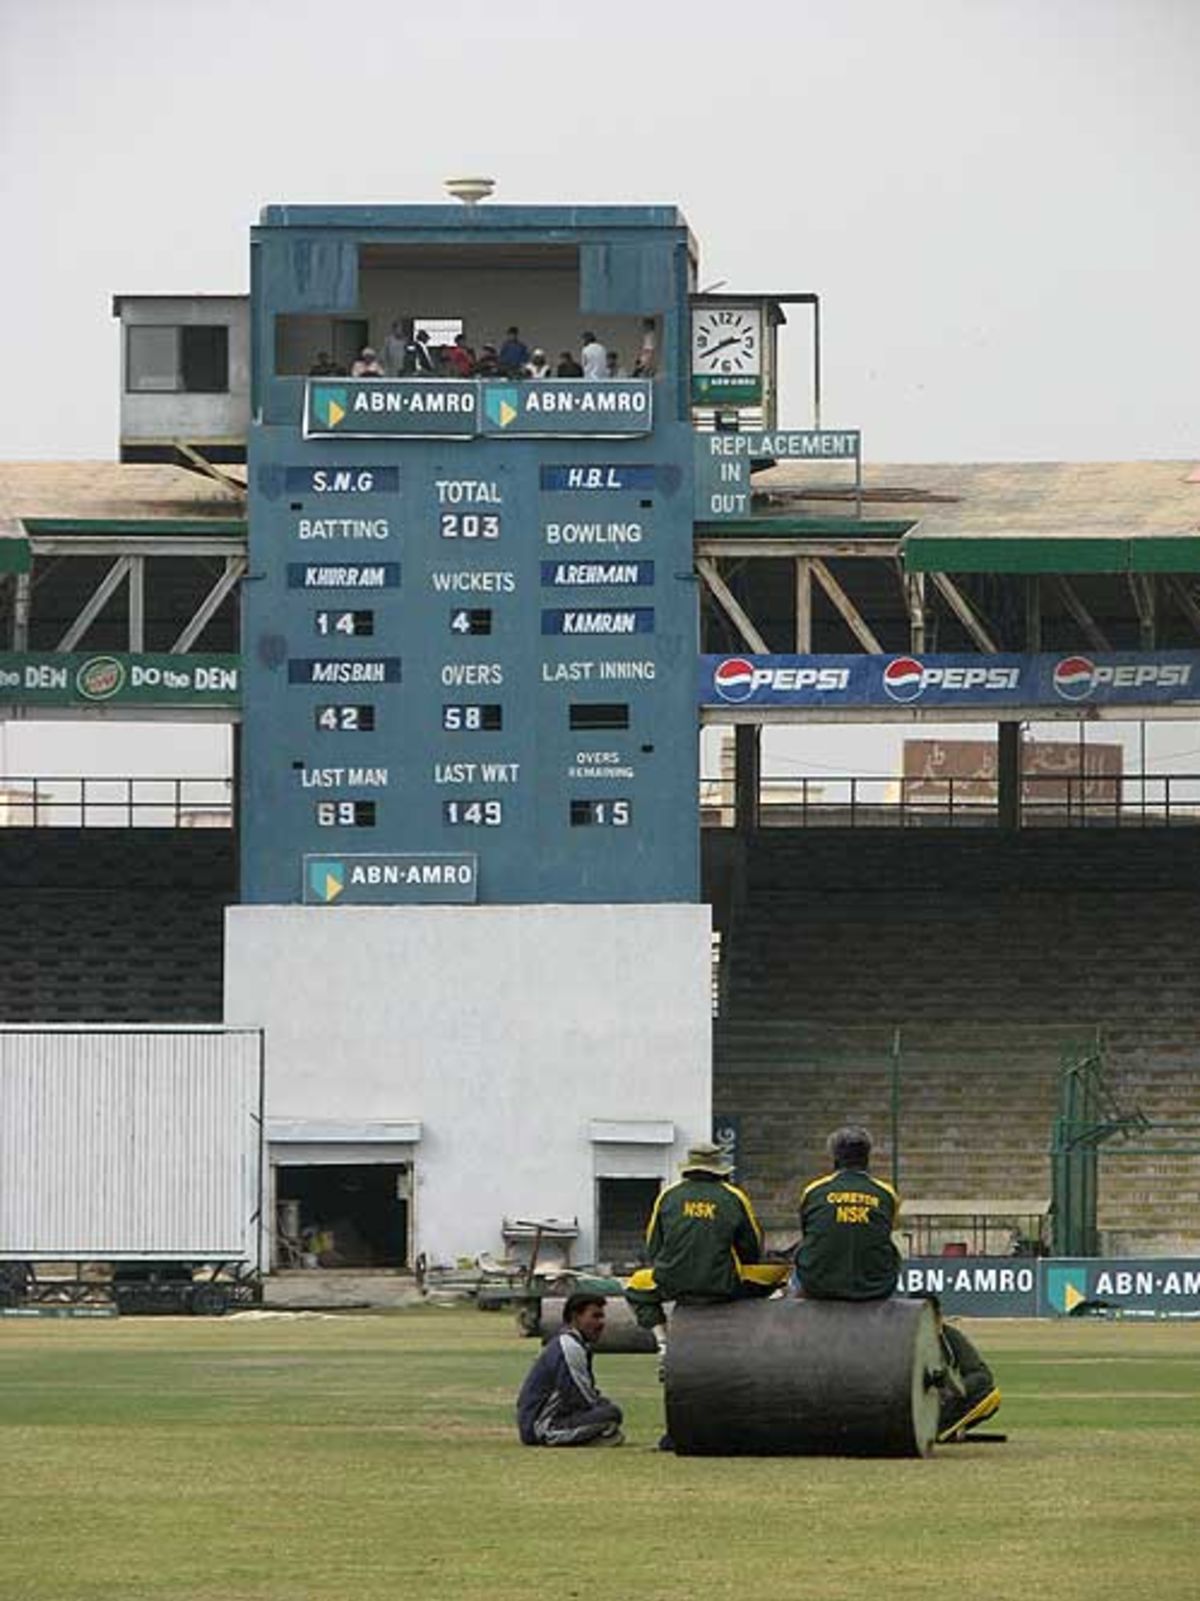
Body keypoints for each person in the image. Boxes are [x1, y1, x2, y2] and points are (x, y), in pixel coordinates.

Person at [794, 1125, 900, 1301]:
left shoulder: (813, 1191)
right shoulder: (887, 1194)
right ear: (867, 1157)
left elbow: (807, 1232)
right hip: (875, 1287)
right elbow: (885, 1232)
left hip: (817, 1286)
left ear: (835, 1157)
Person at [516, 1292, 624, 1447]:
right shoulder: (570, 1346)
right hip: (542, 1426)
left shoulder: (570, 1343)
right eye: (595, 1316)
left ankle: (592, 1435)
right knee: (612, 1414)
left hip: (537, 1421)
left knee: (607, 1411)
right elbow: (580, 1396)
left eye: (602, 1317)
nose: (601, 1323)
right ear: (575, 1317)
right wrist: (602, 1409)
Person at [925, 1295, 1003, 1442]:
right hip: (903, 1406)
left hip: (940, 1403)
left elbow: (981, 1374)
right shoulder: (899, 1337)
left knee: (991, 1396)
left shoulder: (950, 1337)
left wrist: (955, 1389)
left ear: (938, 1316)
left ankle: (943, 1428)